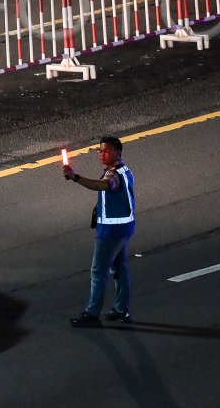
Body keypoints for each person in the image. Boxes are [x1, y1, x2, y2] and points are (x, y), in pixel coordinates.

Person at [63, 136, 136, 327]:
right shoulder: (124, 170)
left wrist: (76, 177)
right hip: (124, 227)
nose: (102, 154)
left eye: (106, 151)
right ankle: (121, 309)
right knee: (119, 268)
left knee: (98, 271)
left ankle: (92, 314)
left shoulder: (114, 174)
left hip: (111, 231)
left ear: (117, 152)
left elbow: (102, 185)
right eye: (100, 150)